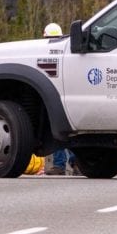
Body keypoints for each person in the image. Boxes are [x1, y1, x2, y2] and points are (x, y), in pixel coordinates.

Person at [43, 22, 75, 175]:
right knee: (71, 134)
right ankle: (76, 164)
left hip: (55, 99)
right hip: (67, 97)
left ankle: (60, 165)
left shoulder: (45, 53)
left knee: (58, 134)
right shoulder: (65, 51)